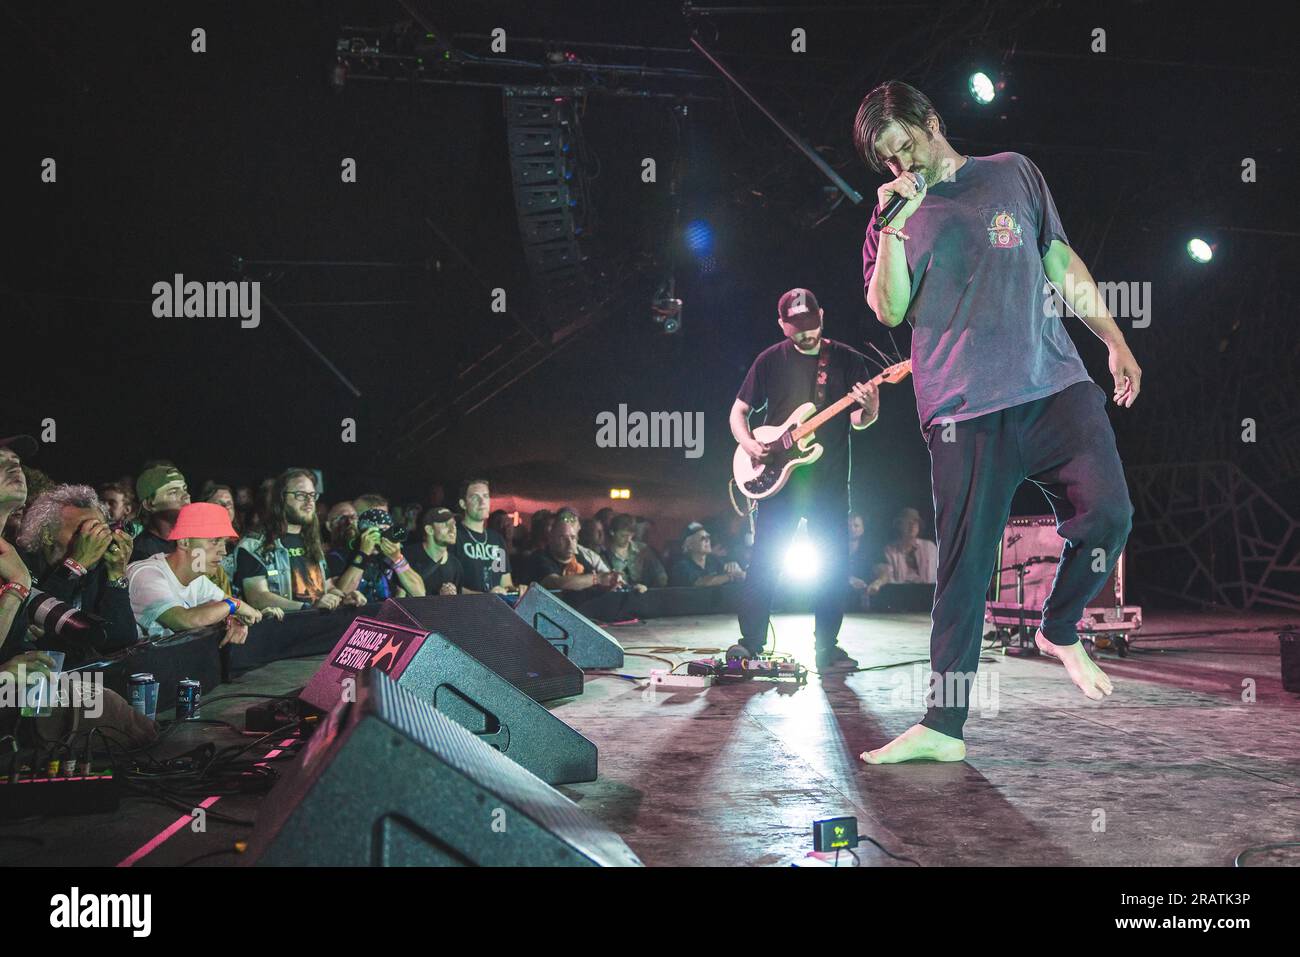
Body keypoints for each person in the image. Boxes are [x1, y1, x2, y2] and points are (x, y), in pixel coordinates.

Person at [855, 80, 1137, 762]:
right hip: (961, 410)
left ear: (930, 121)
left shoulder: (1012, 172)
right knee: (965, 568)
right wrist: (893, 225)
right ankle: (943, 727)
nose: (903, 165)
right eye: (888, 160)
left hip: (1052, 384)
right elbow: (889, 309)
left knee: (1109, 514)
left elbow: (1060, 262)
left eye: (907, 146)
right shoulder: (891, 218)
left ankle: (1059, 626)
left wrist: (1113, 338)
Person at [729, 287, 880, 671]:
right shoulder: (769, 361)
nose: (807, 333)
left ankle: (827, 648)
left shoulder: (847, 359)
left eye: (811, 324)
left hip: (828, 483)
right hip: (778, 483)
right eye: (797, 328)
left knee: (833, 566)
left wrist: (871, 407)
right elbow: (739, 411)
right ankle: (751, 643)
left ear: (822, 315)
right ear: (782, 325)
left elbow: (859, 423)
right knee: (764, 563)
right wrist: (748, 443)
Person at [11, 484, 139, 661]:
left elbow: (122, 641)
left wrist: (117, 575)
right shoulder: (19, 566)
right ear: (48, 535)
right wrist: (75, 566)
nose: (95, 541)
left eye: (100, 531)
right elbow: (36, 629)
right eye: (84, 532)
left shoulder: (96, 570)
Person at [126, 502, 274, 642]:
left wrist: (232, 618)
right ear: (184, 542)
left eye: (224, 542)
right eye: (215, 541)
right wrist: (236, 605)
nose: (223, 551)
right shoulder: (146, 574)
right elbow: (184, 620)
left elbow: (225, 608)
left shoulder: (197, 579)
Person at [234, 469, 348, 613]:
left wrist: (344, 597)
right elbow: (257, 596)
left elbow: (328, 586)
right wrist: (306, 608)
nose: (309, 501)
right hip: (284, 631)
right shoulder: (254, 544)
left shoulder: (312, 540)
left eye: (313, 495)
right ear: (280, 498)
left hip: (319, 628)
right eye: (301, 495)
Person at [327, 507, 426, 602]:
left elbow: (419, 593)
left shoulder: (389, 557)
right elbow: (341, 593)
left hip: (385, 616)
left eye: (387, 531)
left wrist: (397, 559)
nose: (383, 536)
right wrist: (364, 553)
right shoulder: (339, 555)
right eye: (379, 531)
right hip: (354, 617)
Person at [528, 508, 621, 599]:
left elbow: (591, 582)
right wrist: (597, 579)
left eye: (573, 537)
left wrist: (609, 584)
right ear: (551, 538)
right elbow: (558, 584)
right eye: (563, 538)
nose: (570, 543)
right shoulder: (540, 557)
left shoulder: (579, 558)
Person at [454, 478, 516, 593]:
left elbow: (505, 583)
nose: (482, 502)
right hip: (465, 609)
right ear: (463, 504)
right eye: (475, 497)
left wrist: (518, 591)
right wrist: (485, 597)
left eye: (486, 496)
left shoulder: (496, 539)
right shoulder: (454, 536)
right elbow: (450, 587)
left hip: (494, 608)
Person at [866, 506, 938, 593]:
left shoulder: (930, 547)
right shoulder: (890, 550)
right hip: (901, 597)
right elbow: (885, 573)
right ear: (899, 525)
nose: (912, 525)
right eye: (908, 522)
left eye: (915, 522)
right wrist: (878, 583)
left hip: (928, 596)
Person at [129, 464, 191, 561]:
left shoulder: (192, 541)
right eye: (173, 492)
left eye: (184, 489)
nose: (186, 495)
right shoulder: (142, 553)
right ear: (149, 504)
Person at [407, 507, 464, 596]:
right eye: (446, 525)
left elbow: (456, 606)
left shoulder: (455, 565)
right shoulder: (408, 556)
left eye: (454, 524)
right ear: (429, 530)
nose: (453, 529)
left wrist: (451, 598)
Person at [670, 523, 744, 588]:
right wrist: (730, 576)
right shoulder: (681, 566)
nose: (708, 540)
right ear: (690, 545)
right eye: (703, 538)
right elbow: (699, 583)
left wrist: (736, 568)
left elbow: (734, 572)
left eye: (708, 537)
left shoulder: (713, 560)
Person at [607, 513, 667, 588]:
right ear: (612, 532)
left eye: (630, 535)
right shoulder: (605, 555)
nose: (627, 539)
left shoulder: (643, 549)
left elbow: (660, 574)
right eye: (623, 535)